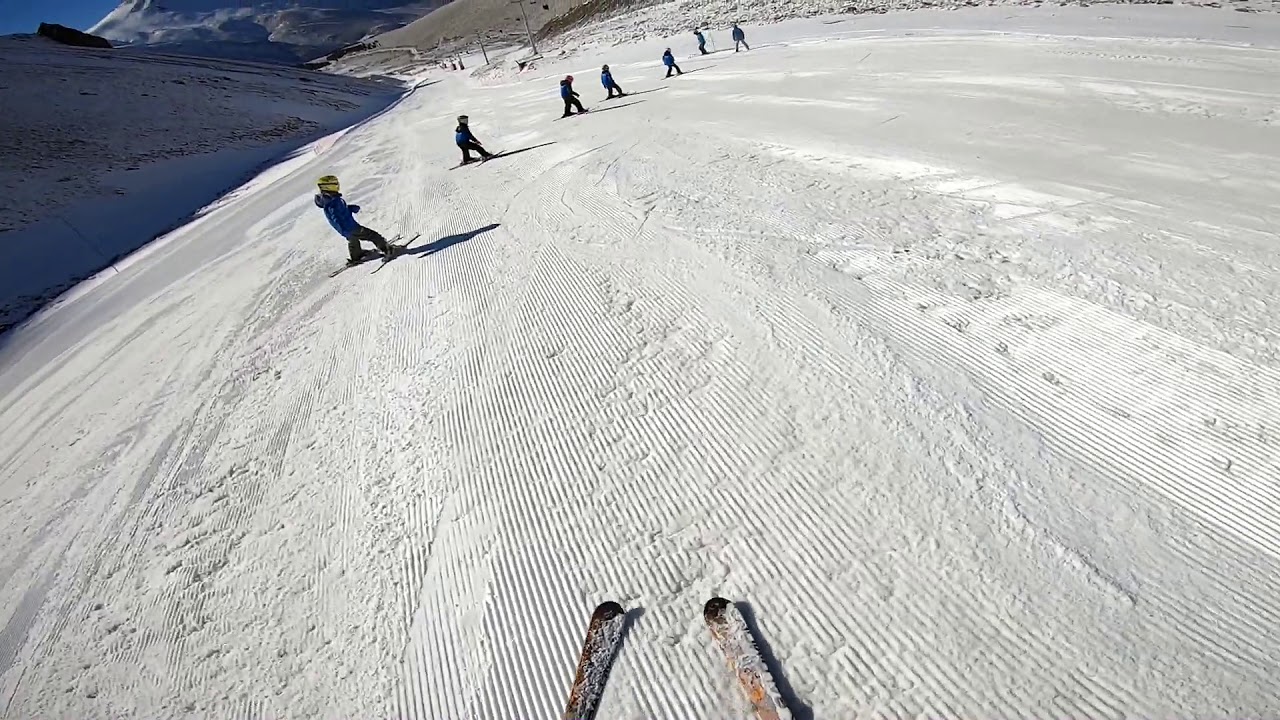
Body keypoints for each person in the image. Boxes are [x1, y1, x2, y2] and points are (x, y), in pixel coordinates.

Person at [313, 175, 394, 265]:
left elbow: (340, 213)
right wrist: (344, 230)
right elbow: (336, 218)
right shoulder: (332, 202)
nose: (338, 185)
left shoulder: (329, 200)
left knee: (353, 240)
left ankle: (356, 256)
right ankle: (387, 249)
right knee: (372, 235)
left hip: (346, 228)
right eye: (335, 184)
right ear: (328, 186)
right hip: (350, 227)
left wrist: (349, 208)